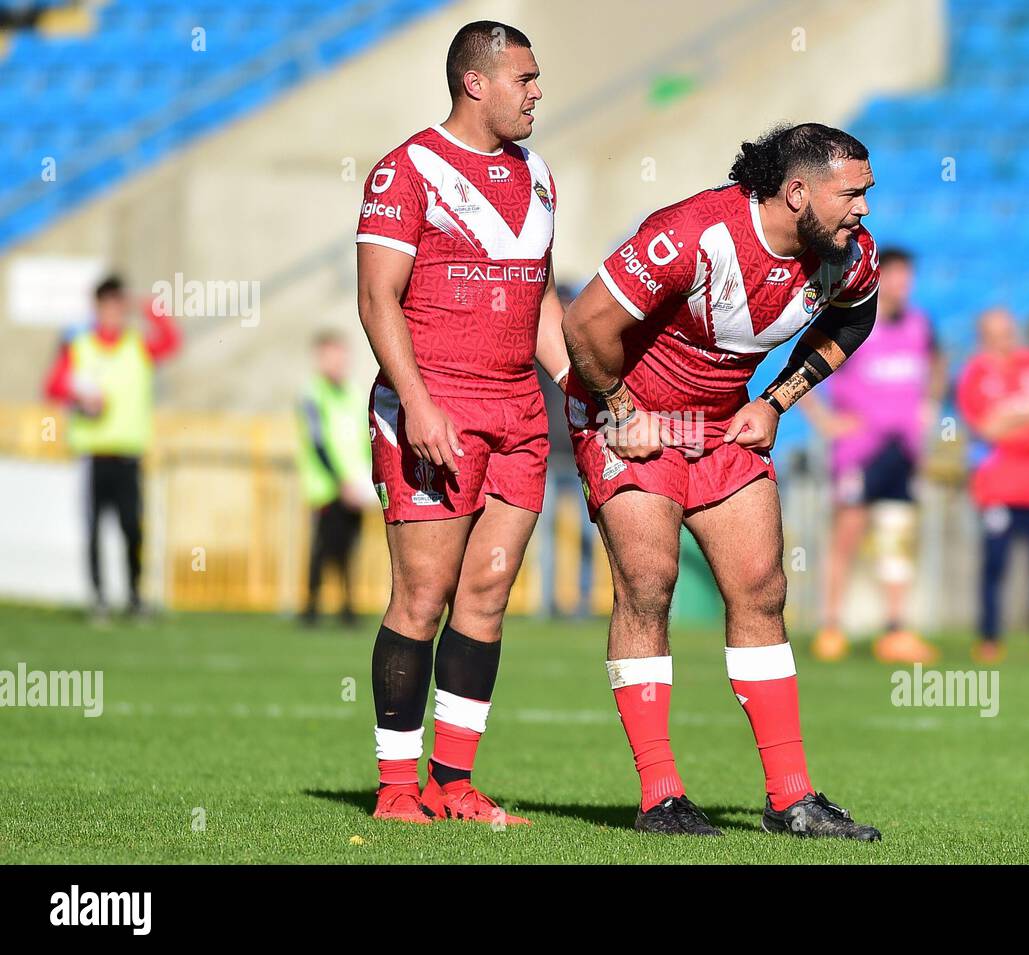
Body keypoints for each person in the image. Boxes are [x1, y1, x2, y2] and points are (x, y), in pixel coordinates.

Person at [562, 123, 883, 840]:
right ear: (797, 192)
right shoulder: (692, 233)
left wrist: (776, 399)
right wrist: (621, 409)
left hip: (719, 426)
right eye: (852, 193)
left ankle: (792, 798)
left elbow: (857, 318)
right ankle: (661, 796)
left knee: (762, 588)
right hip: (629, 415)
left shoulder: (848, 257)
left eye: (867, 192)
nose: (864, 208)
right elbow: (583, 326)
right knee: (648, 585)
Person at [354, 20, 569, 825]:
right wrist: (416, 403)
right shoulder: (404, 171)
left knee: (485, 594)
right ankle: (396, 789)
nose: (537, 91)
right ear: (475, 82)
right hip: (434, 404)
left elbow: (541, 297)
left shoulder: (540, 174)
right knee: (423, 594)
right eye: (526, 77)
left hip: (518, 413)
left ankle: (454, 780)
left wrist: (583, 387)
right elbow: (378, 298)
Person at [801, 247, 945, 664]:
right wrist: (826, 421)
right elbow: (804, 365)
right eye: (897, 277)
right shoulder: (851, 323)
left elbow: (937, 364)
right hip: (859, 452)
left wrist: (930, 407)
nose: (904, 285)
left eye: (908, 278)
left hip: (903, 450)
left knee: (896, 538)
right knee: (847, 534)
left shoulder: (920, 326)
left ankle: (895, 629)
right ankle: (830, 626)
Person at [42, 275, 181, 620]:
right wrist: (80, 397)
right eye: (107, 307)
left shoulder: (136, 345)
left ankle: (135, 596)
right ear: (97, 309)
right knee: (94, 531)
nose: (113, 313)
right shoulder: (80, 346)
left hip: (128, 455)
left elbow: (171, 342)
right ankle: (99, 598)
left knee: (132, 528)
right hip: (93, 455)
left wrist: (150, 309)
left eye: (119, 306)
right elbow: (53, 386)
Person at [955, 308, 1029, 666]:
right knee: (995, 565)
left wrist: (1013, 415)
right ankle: (990, 638)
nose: (1003, 340)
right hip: (998, 485)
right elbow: (986, 428)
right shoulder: (975, 373)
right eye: (995, 334)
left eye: (1008, 332)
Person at [295, 331, 371, 627]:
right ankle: (311, 607)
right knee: (324, 546)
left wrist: (363, 478)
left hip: (355, 484)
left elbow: (363, 440)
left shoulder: (353, 392)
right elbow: (318, 443)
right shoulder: (312, 394)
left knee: (349, 546)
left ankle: (347, 606)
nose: (339, 362)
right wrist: (341, 481)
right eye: (332, 355)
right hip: (327, 486)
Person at [536, 283, 595, 618]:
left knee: (587, 537)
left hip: (580, 451)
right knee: (549, 537)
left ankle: (582, 603)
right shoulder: (540, 351)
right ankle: (548, 603)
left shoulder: (587, 349)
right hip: (550, 454)